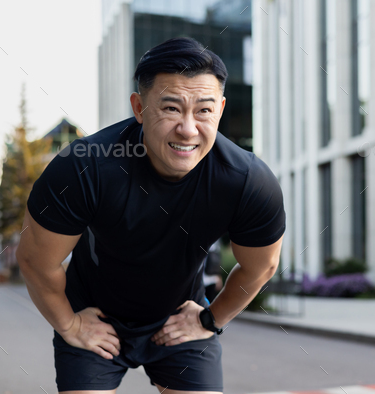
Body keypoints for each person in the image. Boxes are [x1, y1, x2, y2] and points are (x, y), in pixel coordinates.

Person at [15, 37, 285, 394]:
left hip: (178, 322)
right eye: (171, 108)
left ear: (219, 110)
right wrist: (69, 325)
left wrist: (210, 318)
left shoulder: (248, 180)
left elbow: (261, 265)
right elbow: (35, 260)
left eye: (204, 111)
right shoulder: (84, 167)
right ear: (139, 107)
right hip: (94, 320)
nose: (188, 129)